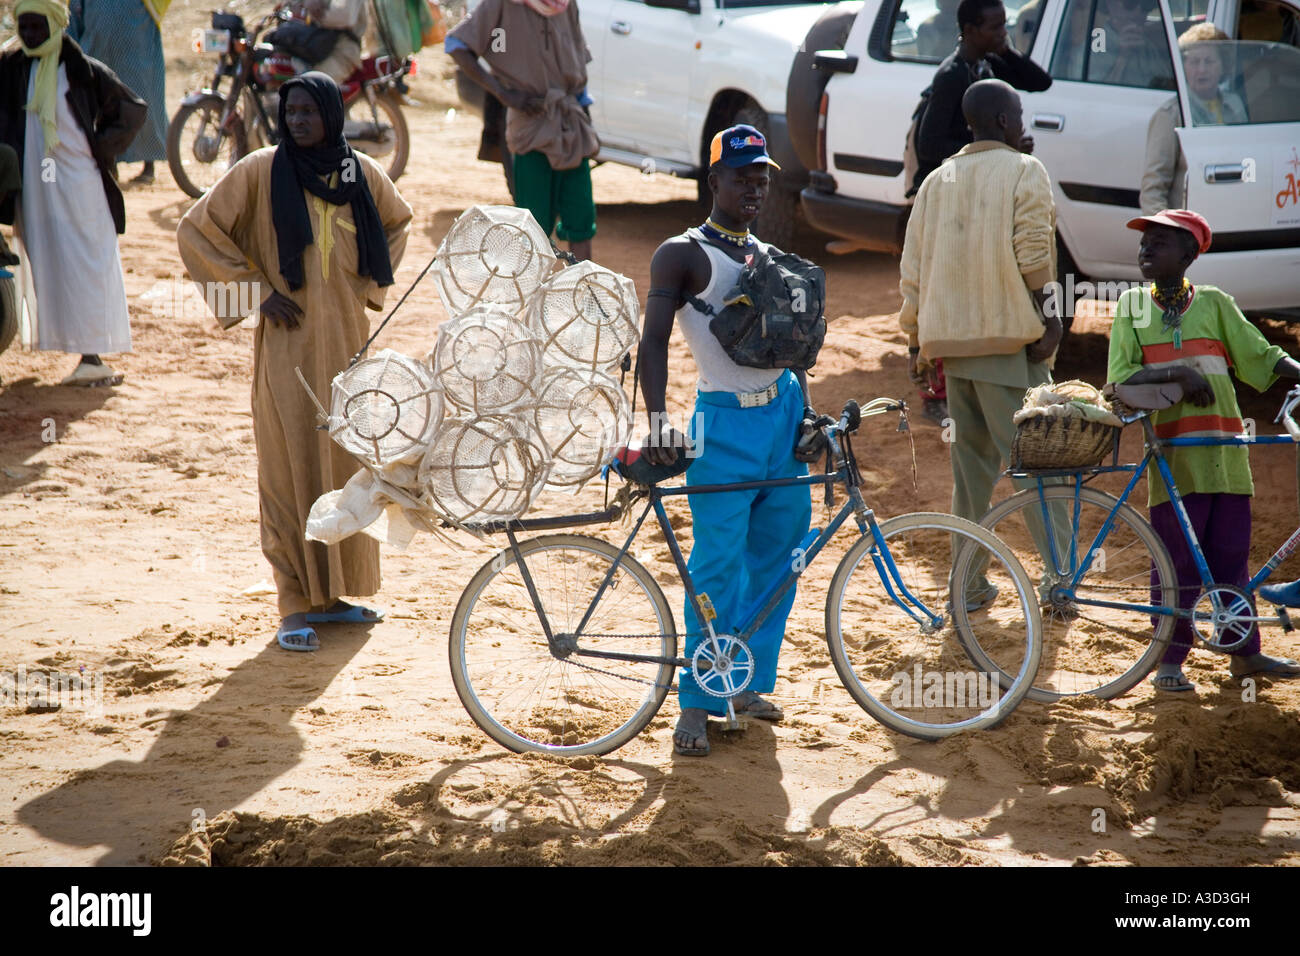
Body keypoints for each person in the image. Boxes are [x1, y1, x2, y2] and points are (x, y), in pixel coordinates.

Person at [177, 73, 413, 652]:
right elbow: (196, 231)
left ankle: (334, 597)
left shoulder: (359, 173)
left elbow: (398, 222)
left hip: (349, 347)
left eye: (310, 111)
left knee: (345, 465)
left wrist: (366, 288)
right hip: (288, 349)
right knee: (287, 469)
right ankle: (292, 604)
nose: (300, 120)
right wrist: (254, 291)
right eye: (293, 111)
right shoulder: (260, 169)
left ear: (332, 115)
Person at [638, 125, 817, 757]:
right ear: (712, 179)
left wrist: (807, 417)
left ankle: (742, 681)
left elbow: (791, 353)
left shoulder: (767, 256)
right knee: (714, 565)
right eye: (741, 176)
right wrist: (658, 420)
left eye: (762, 176)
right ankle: (695, 701)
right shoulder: (681, 254)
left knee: (781, 556)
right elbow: (654, 342)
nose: (754, 187)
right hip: (723, 423)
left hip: (782, 417)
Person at [1106, 208, 1300, 692]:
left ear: (1190, 254)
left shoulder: (1215, 303)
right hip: (1173, 457)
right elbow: (1119, 380)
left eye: (1160, 243)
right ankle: (1169, 662)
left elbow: (1264, 357)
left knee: (1231, 555)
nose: (1146, 250)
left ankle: (1245, 654)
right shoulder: (1131, 305)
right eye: (1143, 243)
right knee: (1175, 561)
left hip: (1226, 451)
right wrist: (1178, 373)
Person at [899, 80, 1062, 591]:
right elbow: (1034, 253)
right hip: (1008, 348)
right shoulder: (1024, 170)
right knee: (1039, 471)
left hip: (952, 353)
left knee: (971, 478)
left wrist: (913, 340)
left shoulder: (936, 181)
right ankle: (1062, 580)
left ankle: (967, 586)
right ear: (1000, 122)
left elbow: (913, 271)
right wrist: (1053, 318)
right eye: (1018, 115)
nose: (1022, 124)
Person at [910, 0, 1051, 425]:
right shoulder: (952, 75)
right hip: (953, 195)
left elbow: (1039, 81)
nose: (1002, 32)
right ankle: (937, 391)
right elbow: (929, 146)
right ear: (968, 30)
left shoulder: (987, 65)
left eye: (1004, 25)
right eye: (993, 27)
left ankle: (968, 376)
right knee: (947, 281)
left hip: (980, 190)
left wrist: (1002, 48)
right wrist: (994, 151)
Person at [0, 0, 145, 387]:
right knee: (46, 257)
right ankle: (68, 344)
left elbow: (132, 111)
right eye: (24, 28)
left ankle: (93, 356)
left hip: (81, 183)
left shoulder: (82, 69)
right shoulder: (13, 67)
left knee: (86, 259)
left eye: (38, 28)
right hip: (36, 185)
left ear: (56, 25)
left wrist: (99, 147)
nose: (30, 36)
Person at [447, 0, 598, 261]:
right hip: (531, 127)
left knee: (581, 221)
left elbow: (578, 61)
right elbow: (457, 46)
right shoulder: (503, 5)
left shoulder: (566, 4)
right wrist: (504, 94)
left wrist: (585, 119)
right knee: (534, 229)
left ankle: (580, 295)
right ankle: (532, 300)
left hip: (572, 126)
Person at [1140, 25, 1246, 215]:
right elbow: (1152, 191)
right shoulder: (1170, 115)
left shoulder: (1235, 105)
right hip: (1188, 229)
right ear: (1183, 66)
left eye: (1209, 61)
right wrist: (1168, 230)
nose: (1201, 69)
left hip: (1231, 216)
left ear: (1223, 66)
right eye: (1194, 61)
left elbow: (1248, 164)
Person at [67, 0, 169, 185]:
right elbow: (74, 15)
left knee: (142, 97)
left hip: (137, 39)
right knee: (98, 103)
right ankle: (107, 163)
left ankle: (148, 164)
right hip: (97, 41)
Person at [296, 0, 367, 85]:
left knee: (313, 87)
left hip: (339, 52)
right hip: (308, 45)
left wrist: (312, 9)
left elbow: (343, 16)